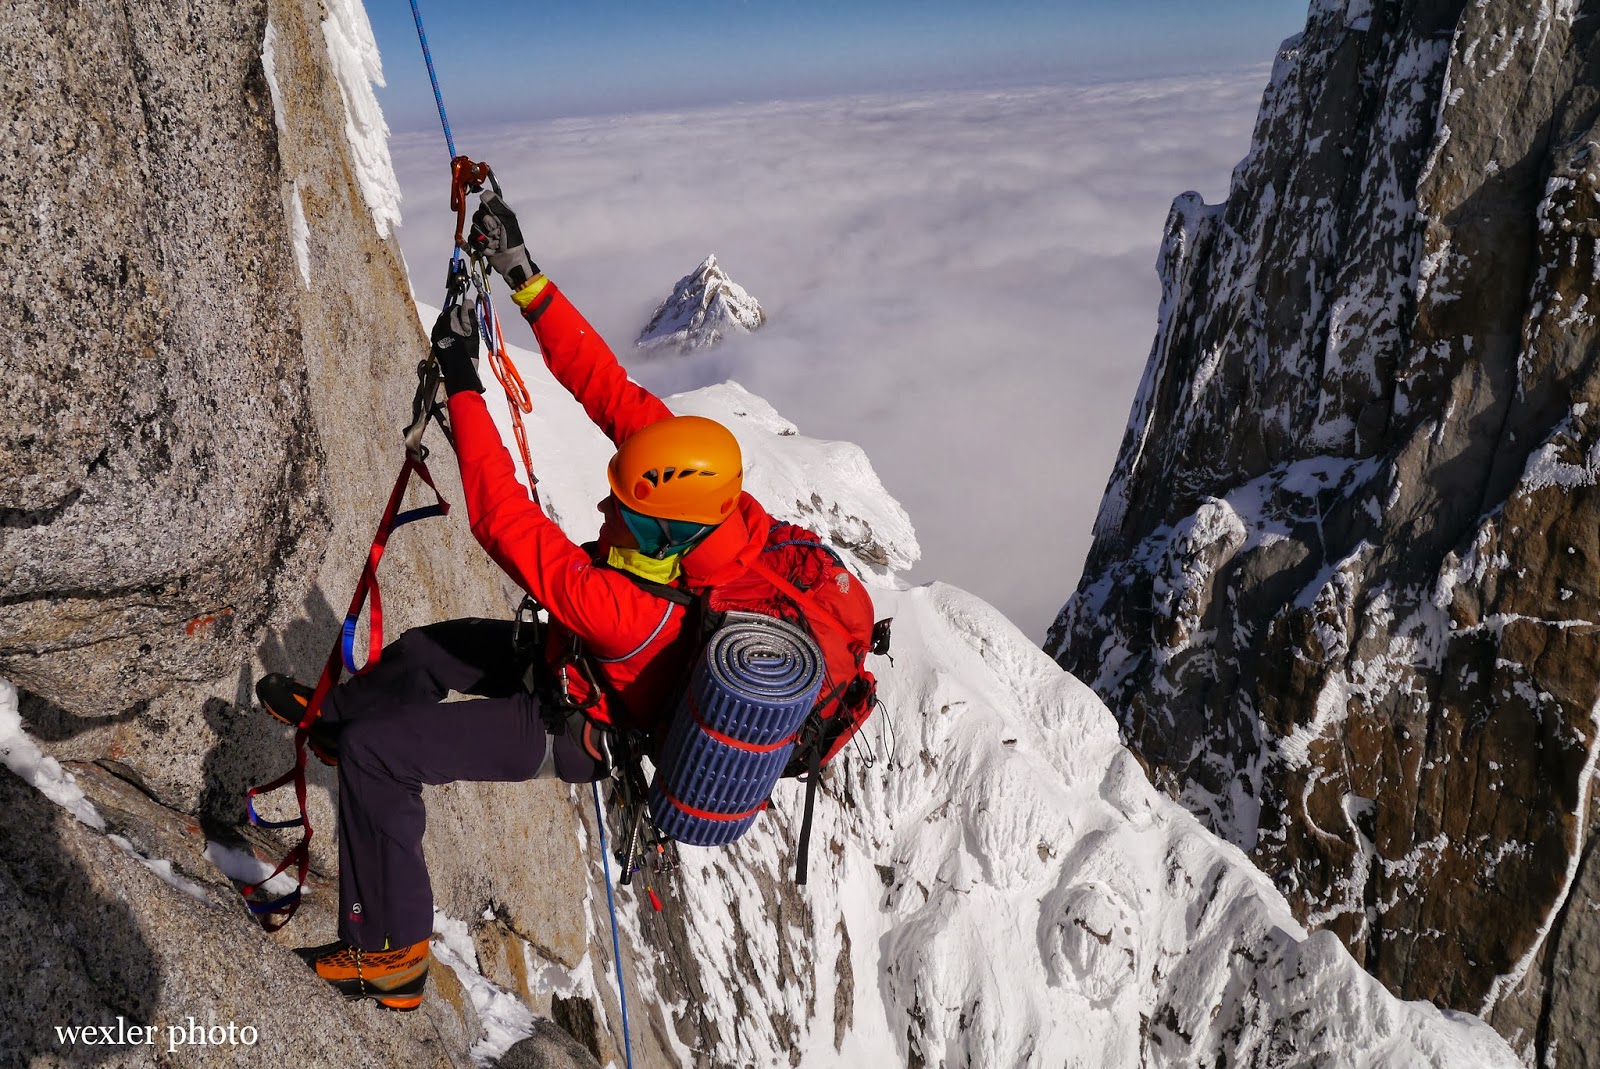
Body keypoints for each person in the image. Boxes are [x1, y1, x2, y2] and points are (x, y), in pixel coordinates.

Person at [256, 189, 788, 1010]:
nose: (607, 508)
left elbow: (503, 520)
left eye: (626, 511)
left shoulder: (623, 608)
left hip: (565, 722)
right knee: (426, 653)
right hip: (565, 662)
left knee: (382, 758)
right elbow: (606, 387)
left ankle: (389, 952)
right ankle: (339, 723)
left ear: (664, 536)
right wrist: (525, 277)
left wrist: (464, 384)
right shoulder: (713, 513)